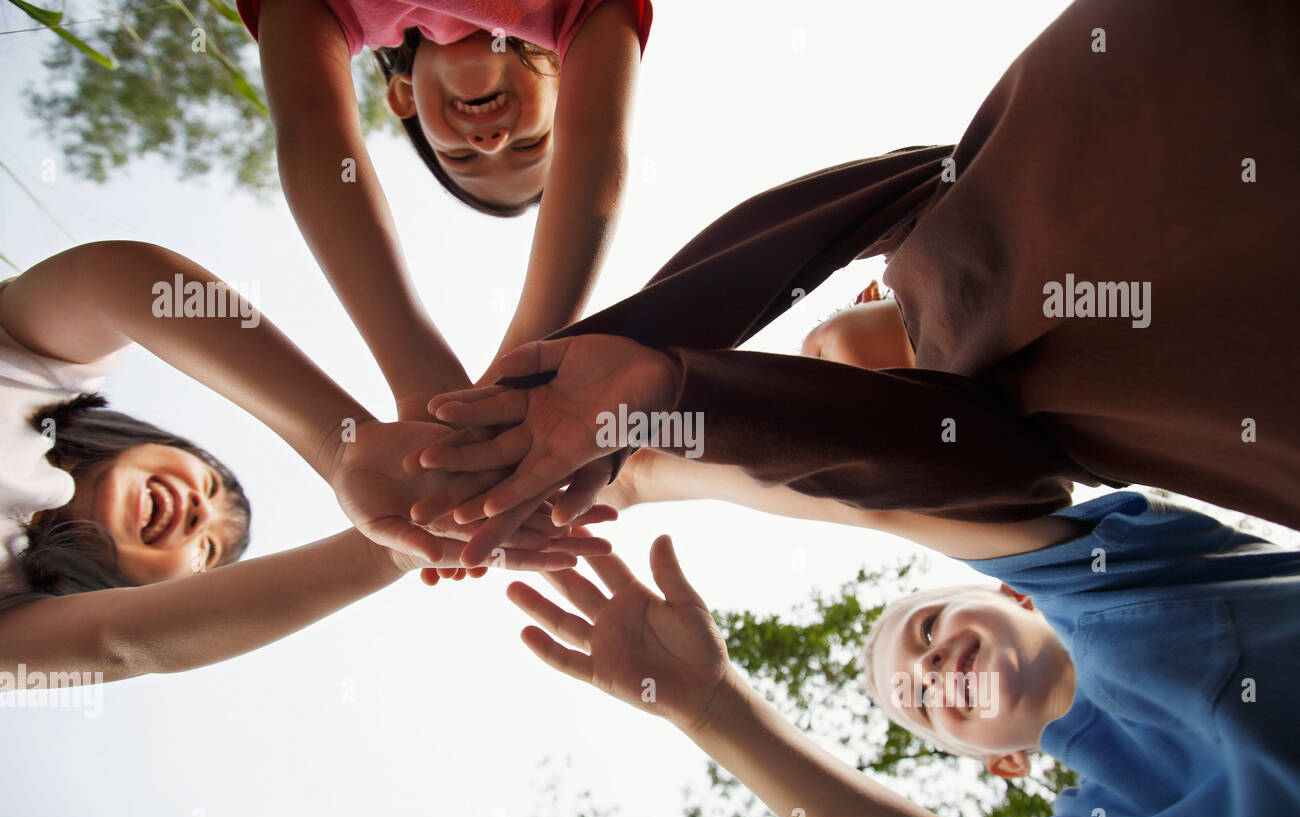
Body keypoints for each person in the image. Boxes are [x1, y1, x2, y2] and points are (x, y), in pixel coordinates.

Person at [411, 0, 1300, 565]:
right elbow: (883, 453)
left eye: (813, 350)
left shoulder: (947, 205)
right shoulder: (1012, 450)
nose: (818, 367)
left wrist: (651, 345)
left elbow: (815, 230)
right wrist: (667, 397)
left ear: (870, 288)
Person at [507, 479, 1300, 817]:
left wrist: (642, 472)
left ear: (1014, 591)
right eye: (919, 705)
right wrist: (716, 710)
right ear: (1005, 764)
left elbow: (873, 500)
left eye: (926, 627)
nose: (928, 668)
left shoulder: (1104, 576)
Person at [0, 241, 606, 684]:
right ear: (145, 441)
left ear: (140, 594)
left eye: (205, 553)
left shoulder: (11, 626)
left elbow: (122, 644)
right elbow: (114, 281)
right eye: (210, 484)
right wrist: (335, 442)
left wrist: (387, 550)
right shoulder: (32, 376)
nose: (198, 515)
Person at [236, 0, 652, 417]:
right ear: (568, 78)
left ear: (402, 96)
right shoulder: (577, 13)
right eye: (529, 145)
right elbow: (594, 145)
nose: (489, 144)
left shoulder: (334, 11)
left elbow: (311, 130)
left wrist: (419, 376)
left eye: (460, 158)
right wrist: (522, 366)